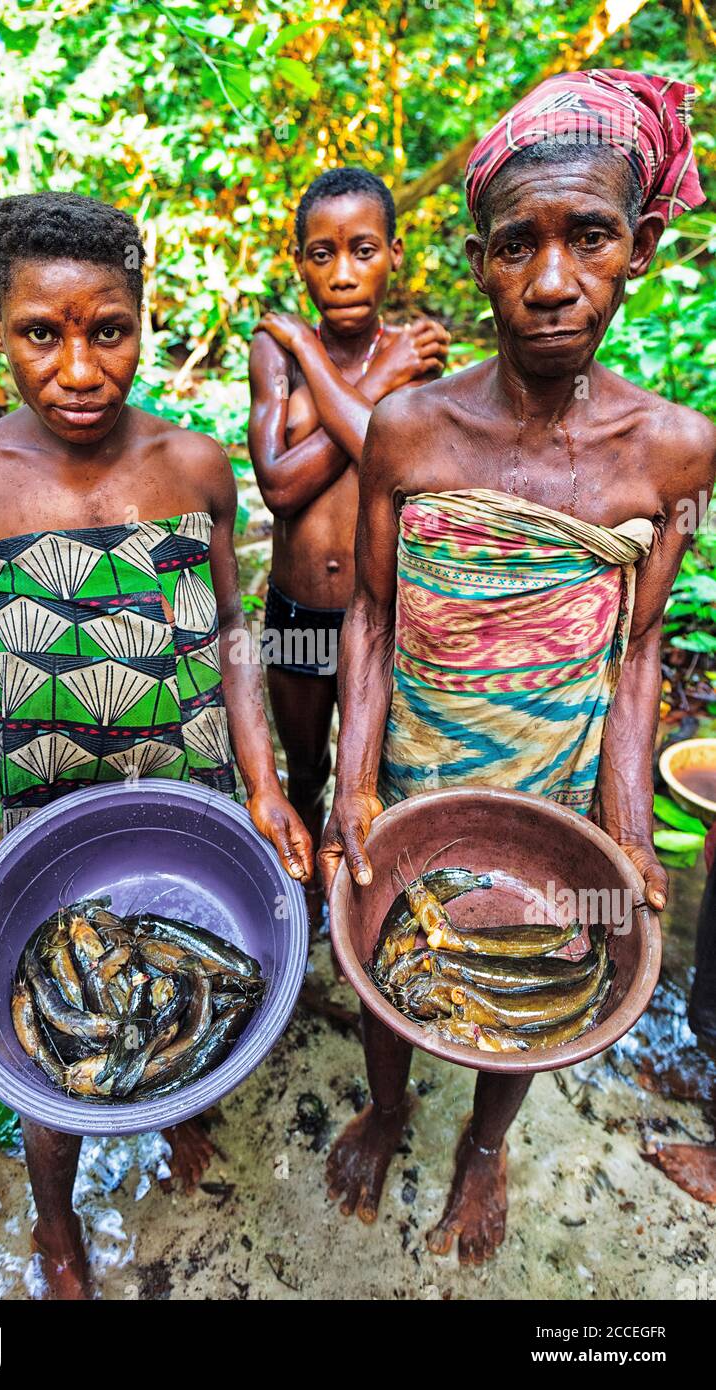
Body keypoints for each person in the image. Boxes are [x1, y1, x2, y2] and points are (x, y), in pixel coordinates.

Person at [319, 70, 715, 1263]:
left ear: (637, 244)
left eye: (586, 236)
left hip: (551, 772)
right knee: (387, 944)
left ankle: (482, 1146)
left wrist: (626, 816)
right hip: (417, 762)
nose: (550, 283)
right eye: (515, 246)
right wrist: (351, 779)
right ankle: (388, 1109)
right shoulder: (409, 429)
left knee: (543, 961)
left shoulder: (671, 451)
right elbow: (372, 621)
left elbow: (635, 647)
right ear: (478, 260)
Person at [0, 192, 312, 1299]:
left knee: (199, 977)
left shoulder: (196, 467)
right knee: (54, 1036)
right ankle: (56, 1225)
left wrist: (267, 787)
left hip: (193, 785)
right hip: (49, 803)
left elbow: (235, 634)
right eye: (43, 333)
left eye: (109, 330)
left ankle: (181, 1108)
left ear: (144, 320)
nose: (79, 369)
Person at [249, 168, 450, 927]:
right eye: (321, 254)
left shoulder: (418, 354)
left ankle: (366, 903)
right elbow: (278, 485)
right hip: (298, 607)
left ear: (394, 253)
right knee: (306, 772)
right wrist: (360, 380)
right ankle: (301, 901)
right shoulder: (276, 356)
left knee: (376, 776)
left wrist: (334, 364)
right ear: (300, 261)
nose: (341, 273)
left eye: (362, 250)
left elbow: (392, 462)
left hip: (382, 614)